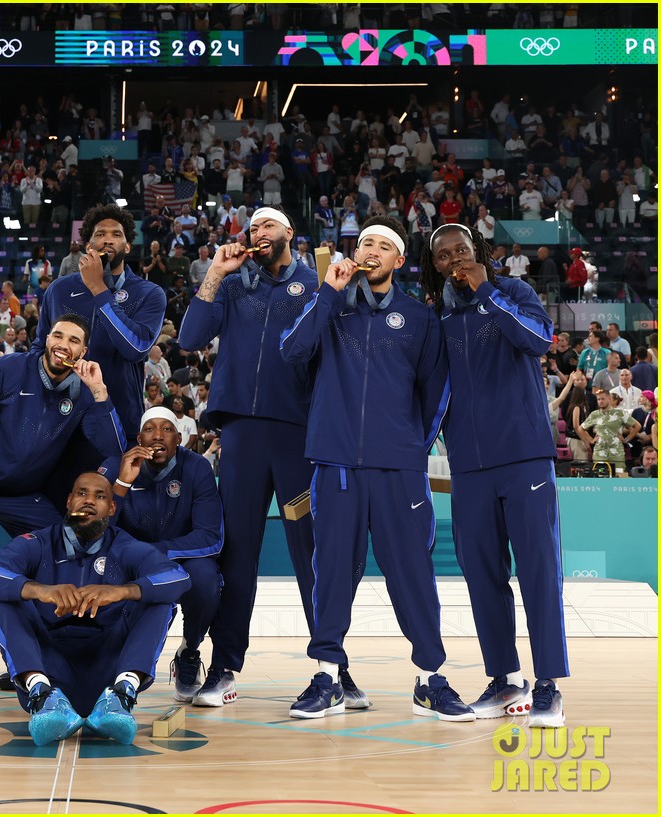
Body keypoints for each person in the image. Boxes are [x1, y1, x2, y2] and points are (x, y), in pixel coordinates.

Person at [280, 217, 474, 722]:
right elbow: (292, 351)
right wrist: (327, 292)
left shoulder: (419, 318)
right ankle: (326, 674)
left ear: (399, 261)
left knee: (412, 573)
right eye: (365, 243)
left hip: (398, 469)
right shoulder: (328, 307)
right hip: (336, 463)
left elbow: (436, 395)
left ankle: (431, 678)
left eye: (383, 246)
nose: (371, 252)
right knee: (333, 573)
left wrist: (412, 450)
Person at [178, 206, 359, 707]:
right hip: (240, 435)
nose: (258, 232)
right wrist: (215, 272)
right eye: (253, 226)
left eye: (268, 225)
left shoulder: (319, 282)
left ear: (289, 233)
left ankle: (332, 668)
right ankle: (224, 666)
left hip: (300, 437)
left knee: (312, 553)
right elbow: (191, 338)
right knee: (237, 553)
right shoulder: (235, 284)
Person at [0, 316, 127, 692]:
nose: (62, 345)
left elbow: (114, 449)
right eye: (57, 336)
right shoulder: (7, 369)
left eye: (73, 341)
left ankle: (32, 659)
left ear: (83, 352)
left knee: (66, 554)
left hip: (26, 494)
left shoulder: (84, 390)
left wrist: (100, 392)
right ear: (46, 339)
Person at [423, 222, 568, 729]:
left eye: (462, 250)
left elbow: (536, 340)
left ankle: (548, 685)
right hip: (468, 466)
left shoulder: (512, 291)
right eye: (444, 255)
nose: (455, 259)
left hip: (525, 456)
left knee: (538, 572)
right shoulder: (436, 317)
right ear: (435, 264)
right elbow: (428, 393)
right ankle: (506, 680)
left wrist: (485, 289)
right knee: (482, 576)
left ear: (479, 252)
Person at [0, 472, 190, 745]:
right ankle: (42, 696)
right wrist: (40, 590)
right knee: (3, 602)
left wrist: (122, 591)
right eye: (82, 493)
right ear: (68, 502)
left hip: (106, 672)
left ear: (112, 508)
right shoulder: (38, 542)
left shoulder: (125, 546)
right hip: (51, 667)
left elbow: (178, 577)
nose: (89, 501)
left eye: (100, 496)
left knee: (159, 601)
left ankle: (122, 696)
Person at [98, 407, 222, 702]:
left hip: (178, 558)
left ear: (179, 438)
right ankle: (103, 659)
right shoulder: (116, 465)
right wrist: (123, 484)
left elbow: (211, 537)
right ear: (138, 437)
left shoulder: (196, 468)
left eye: (166, 429)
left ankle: (189, 652)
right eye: (150, 429)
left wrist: (155, 552)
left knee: (206, 579)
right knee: (98, 568)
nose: (157, 435)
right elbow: (95, 531)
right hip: (130, 561)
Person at [36, 204, 167, 442]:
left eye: (116, 235)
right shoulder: (59, 289)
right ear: (88, 246)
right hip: (61, 416)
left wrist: (98, 288)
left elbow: (136, 348)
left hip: (119, 415)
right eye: (100, 234)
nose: (108, 240)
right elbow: (39, 349)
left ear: (127, 246)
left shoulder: (149, 293)